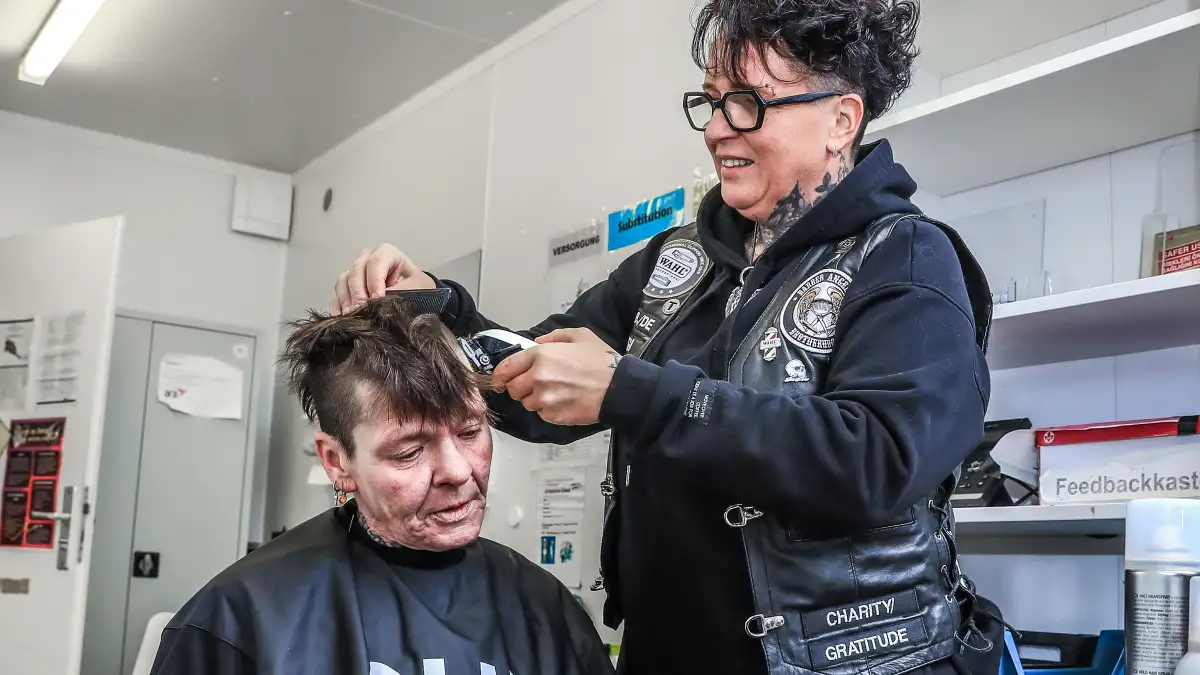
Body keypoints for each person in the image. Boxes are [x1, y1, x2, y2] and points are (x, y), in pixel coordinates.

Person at [331, 1, 1008, 674]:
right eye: (711, 103)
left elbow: (878, 460)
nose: (717, 130)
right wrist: (440, 309)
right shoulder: (675, 264)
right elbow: (535, 380)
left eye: (748, 103)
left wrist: (636, 393)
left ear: (841, 119)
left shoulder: (906, 258)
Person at [149, 298, 614, 675]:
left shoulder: (545, 609)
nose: (456, 470)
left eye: (470, 432)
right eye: (409, 452)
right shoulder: (239, 621)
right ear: (338, 462)